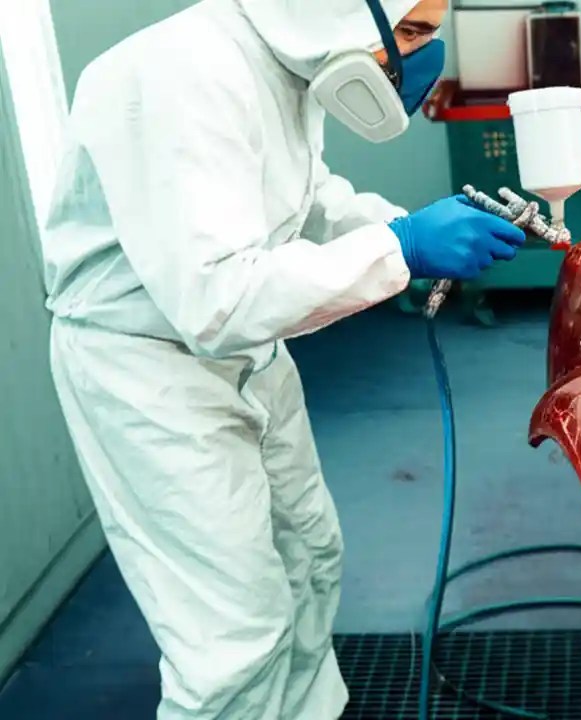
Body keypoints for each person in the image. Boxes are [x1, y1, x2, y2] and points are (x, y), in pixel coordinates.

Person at [39, 0, 520, 717]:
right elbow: (216, 298)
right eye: (413, 31)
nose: (422, 56)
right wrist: (403, 247)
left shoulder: (287, 60)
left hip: (247, 353)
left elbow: (304, 196)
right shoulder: (181, 72)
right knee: (231, 633)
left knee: (309, 559)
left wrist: (397, 225)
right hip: (148, 369)